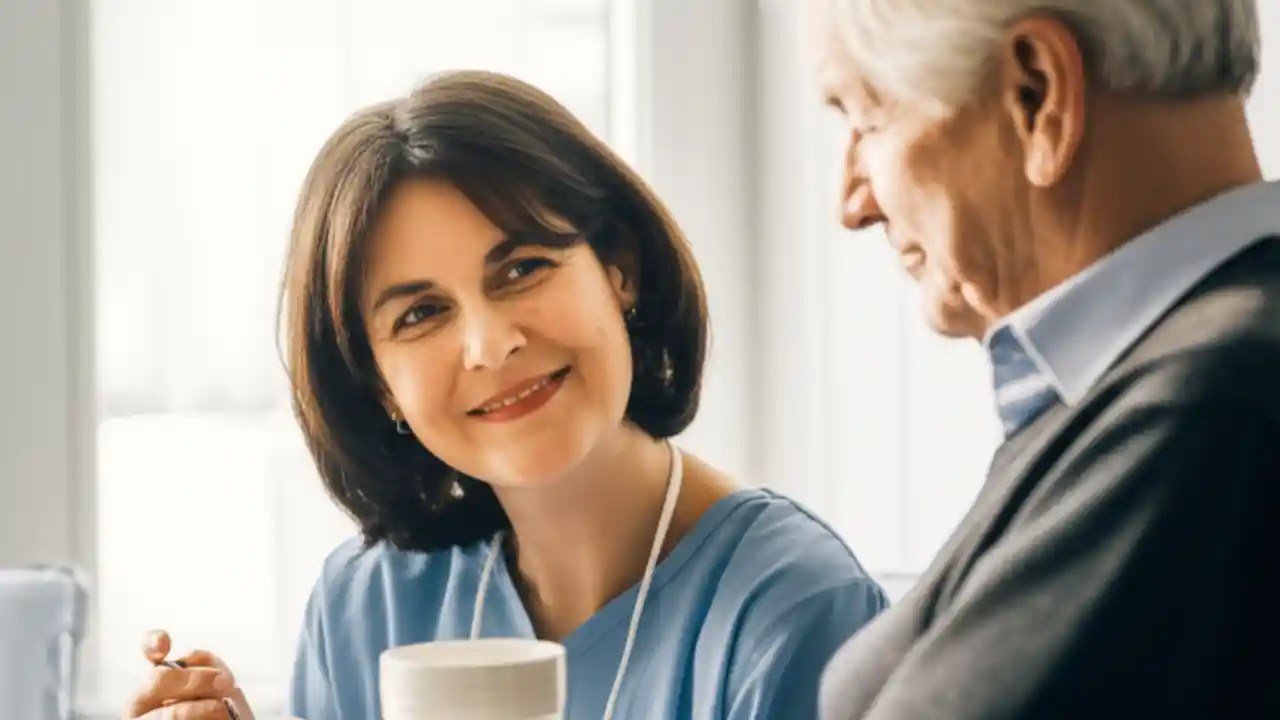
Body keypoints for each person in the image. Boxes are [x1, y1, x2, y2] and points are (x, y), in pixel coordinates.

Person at [123, 70, 888, 720]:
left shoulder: (794, 607)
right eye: (422, 314)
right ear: (377, 383)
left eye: (522, 268)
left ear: (618, 269)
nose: (491, 345)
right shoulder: (366, 607)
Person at [808, 0, 1280, 717]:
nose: (853, 202)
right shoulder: (1157, 388)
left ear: (1037, 94)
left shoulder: (1206, 412)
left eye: (868, 120)